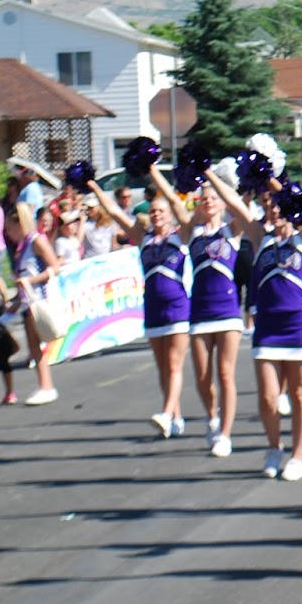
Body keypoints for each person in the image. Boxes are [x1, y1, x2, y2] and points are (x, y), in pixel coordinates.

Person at [91, 172, 191, 437]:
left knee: (174, 363)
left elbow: (178, 202)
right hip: (153, 308)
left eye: (161, 211)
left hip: (178, 307)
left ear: (169, 215)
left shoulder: (181, 236)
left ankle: (167, 413)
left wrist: (155, 174)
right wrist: (92, 185)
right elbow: (113, 211)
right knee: (162, 367)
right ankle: (176, 417)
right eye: (153, 211)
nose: (156, 215)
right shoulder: (144, 237)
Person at [238, 190, 302, 481]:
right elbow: (234, 205)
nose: (272, 211)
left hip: (298, 327)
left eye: (277, 206)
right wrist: (207, 172)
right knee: (268, 396)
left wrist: (287, 192)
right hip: (268, 328)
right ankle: (274, 447)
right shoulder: (261, 237)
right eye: (267, 205)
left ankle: (297, 456)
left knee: (299, 394)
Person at [185, 176, 250, 458]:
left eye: (214, 198)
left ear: (222, 203)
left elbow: (243, 209)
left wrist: (213, 177)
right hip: (199, 311)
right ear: (199, 204)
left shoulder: (231, 230)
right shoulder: (192, 232)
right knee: (202, 376)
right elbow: (175, 206)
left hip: (227, 311)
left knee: (225, 374)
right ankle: (212, 416)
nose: (209, 202)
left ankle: (225, 433)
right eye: (204, 199)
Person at [5, 203, 60, 405]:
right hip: (28, 300)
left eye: (10, 228)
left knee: (36, 344)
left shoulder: (36, 241)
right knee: (33, 346)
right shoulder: (24, 245)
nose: (8, 233)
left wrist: (30, 281)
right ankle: (45, 385)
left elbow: (55, 267)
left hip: (39, 299)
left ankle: (46, 386)